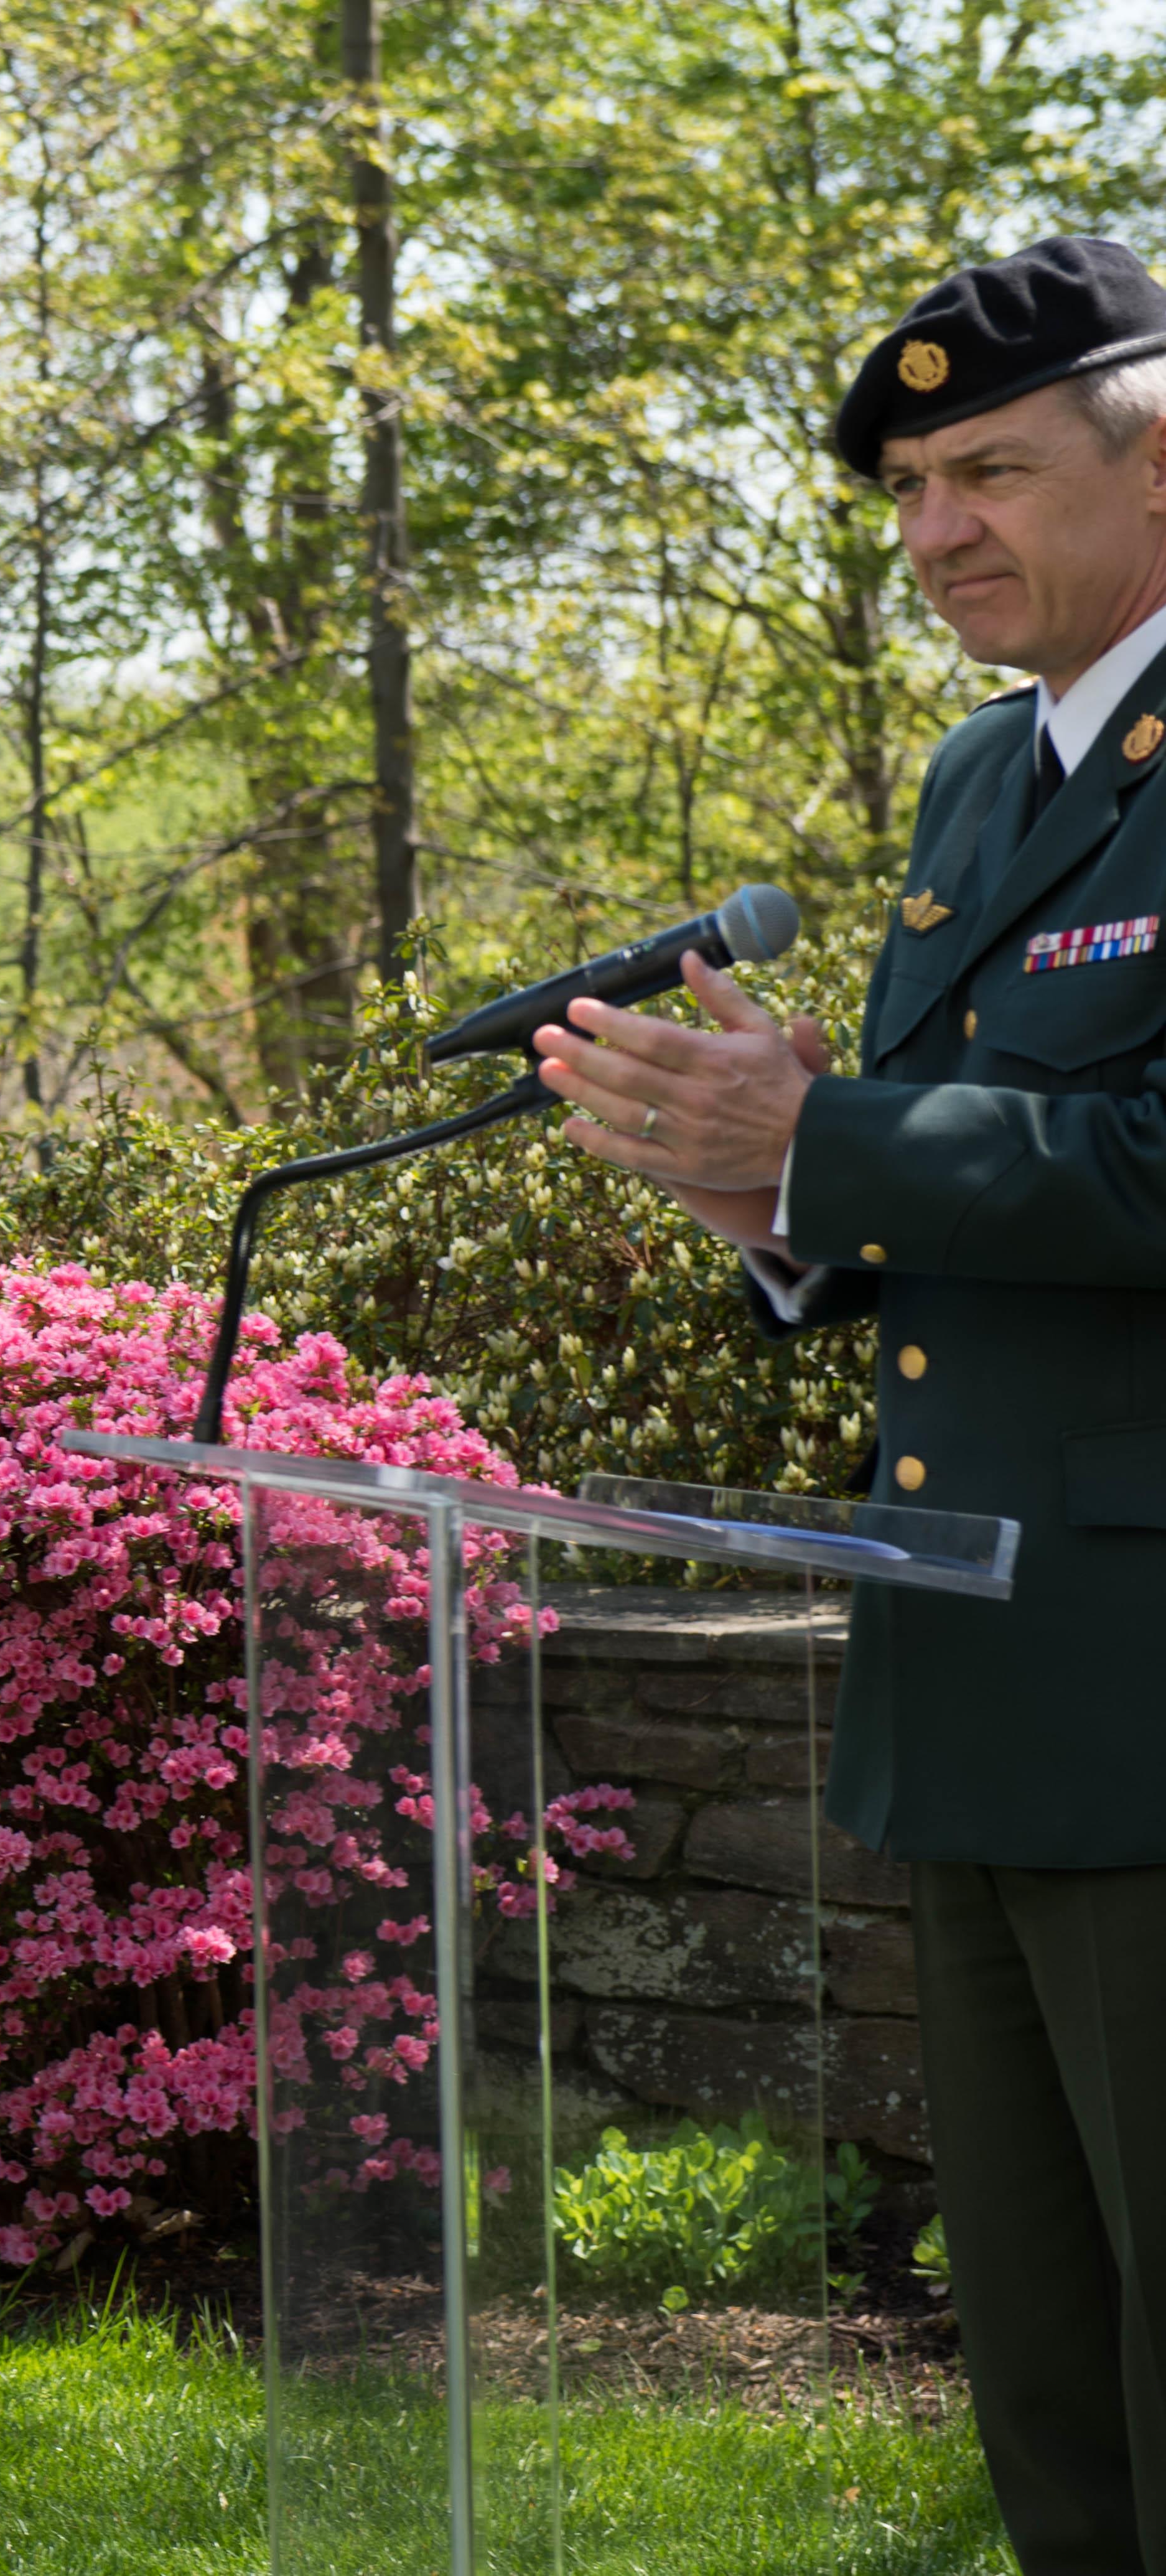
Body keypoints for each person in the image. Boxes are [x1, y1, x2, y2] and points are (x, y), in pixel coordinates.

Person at [539, 234, 1166, 2576]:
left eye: (992, 469)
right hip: (978, 1671)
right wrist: (769, 1193)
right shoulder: (985, 774)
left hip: (1153, 1692)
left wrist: (823, 1132)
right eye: (909, 487)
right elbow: (977, 1184)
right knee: (1047, 2361)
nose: (936, 535)